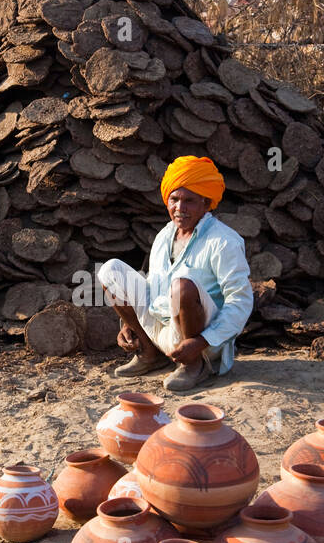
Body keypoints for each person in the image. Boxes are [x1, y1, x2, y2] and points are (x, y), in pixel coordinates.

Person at [97, 155, 254, 392]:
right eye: (174, 199)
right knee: (111, 270)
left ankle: (194, 366)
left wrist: (200, 342)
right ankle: (149, 353)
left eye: (189, 200)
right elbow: (152, 284)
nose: (180, 208)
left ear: (206, 202)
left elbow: (240, 301)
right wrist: (129, 325)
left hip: (202, 339)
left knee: (183, 286)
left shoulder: (224, 241)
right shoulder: (164, 236)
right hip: (163, 328)